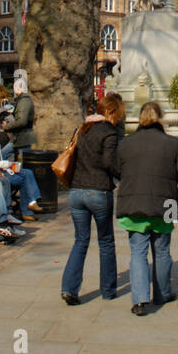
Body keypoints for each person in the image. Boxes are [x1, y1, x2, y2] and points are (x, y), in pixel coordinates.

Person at [115, 101, 178, 316]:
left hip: (133, 201)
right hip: (167, 202)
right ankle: (162, 293)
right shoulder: (173, 144)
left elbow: (116, 170)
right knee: (162, 250)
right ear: (161, 118)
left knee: (138, 251)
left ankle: (140, 299)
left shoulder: (125, 144)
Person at [61, 93, 125, 304]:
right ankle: (108, 289)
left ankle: (69, 288)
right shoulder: (109, 132)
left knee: (81, 240)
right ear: (112, 111)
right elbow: (109, 163)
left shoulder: (82, 128)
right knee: (106, 241)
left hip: (77, 190)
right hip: (98, 190)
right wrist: (122, 173)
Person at [3, 76, 36, 158]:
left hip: (22, 138)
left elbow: (22, 121)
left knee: (3, 155)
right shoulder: (23, 100)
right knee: (19, 160)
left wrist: (7, 126)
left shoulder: (24, 101)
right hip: (20, 138)